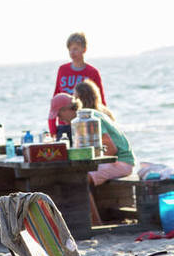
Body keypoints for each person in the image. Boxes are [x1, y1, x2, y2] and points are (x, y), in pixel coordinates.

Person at [51, 93, 134, 224]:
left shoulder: (89, 119)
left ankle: (95, 223)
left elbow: (111, 149)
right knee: (74, 175)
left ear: (67, 109)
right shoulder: (85, 116)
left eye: (59, 114)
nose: (59, 119)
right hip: (113, 161)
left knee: (80, 178)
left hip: (122, 162)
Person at [49, 32, 106, 134]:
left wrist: (104, 123)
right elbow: (55, 99)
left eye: (75, 49)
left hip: (85, 123)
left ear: (84, 49)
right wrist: (52, 129)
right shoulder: (62, 70)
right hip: (64, 125)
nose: (72, 52)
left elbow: (100, 101)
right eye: (70, 49)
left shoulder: (92, 72)